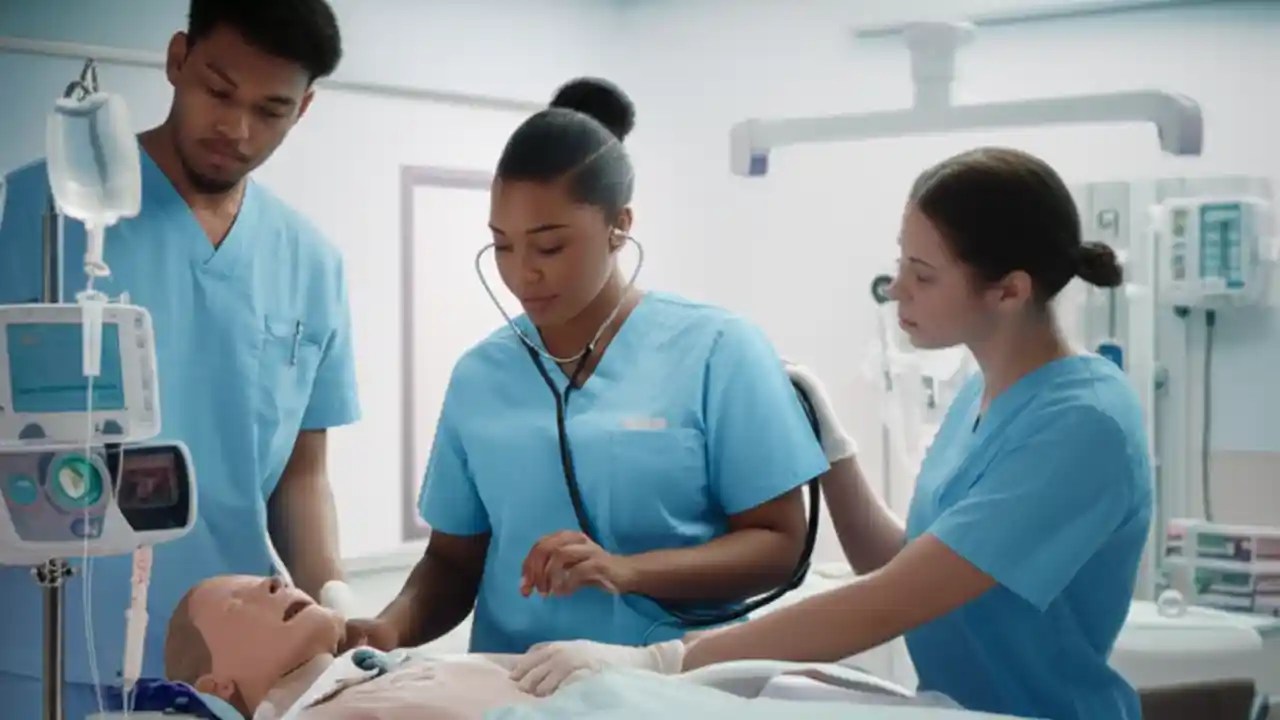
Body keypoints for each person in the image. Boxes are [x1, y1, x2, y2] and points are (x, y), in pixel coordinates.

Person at [507, 146, 1155, 720]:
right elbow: (905, 563)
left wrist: (661, 661)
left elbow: (895, 600)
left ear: (1009, 291)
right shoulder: (980, 397)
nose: (897, 288)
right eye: (901, 262)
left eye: (923, 274)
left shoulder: (1082, 426)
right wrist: (833, 450)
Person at [343, 77, 829, 656]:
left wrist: (628, 571)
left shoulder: (720, 350)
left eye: (549, 246)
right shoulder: (480, 376)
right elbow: (451, 561)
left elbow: (779, 544)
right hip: (512, 686)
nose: (523, 273)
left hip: (677, 682)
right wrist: (391, 628)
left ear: (620, 226)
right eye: (502, 245)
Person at [0, 1, 359, 717]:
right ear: (176, 60)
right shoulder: (35, 211)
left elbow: (301, 474)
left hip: (231, 666)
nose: (237, 129)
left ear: (303, 108)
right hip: (39, 643)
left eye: (271, 110)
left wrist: (334, 604)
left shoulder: (310, 262)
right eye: (218, 92)